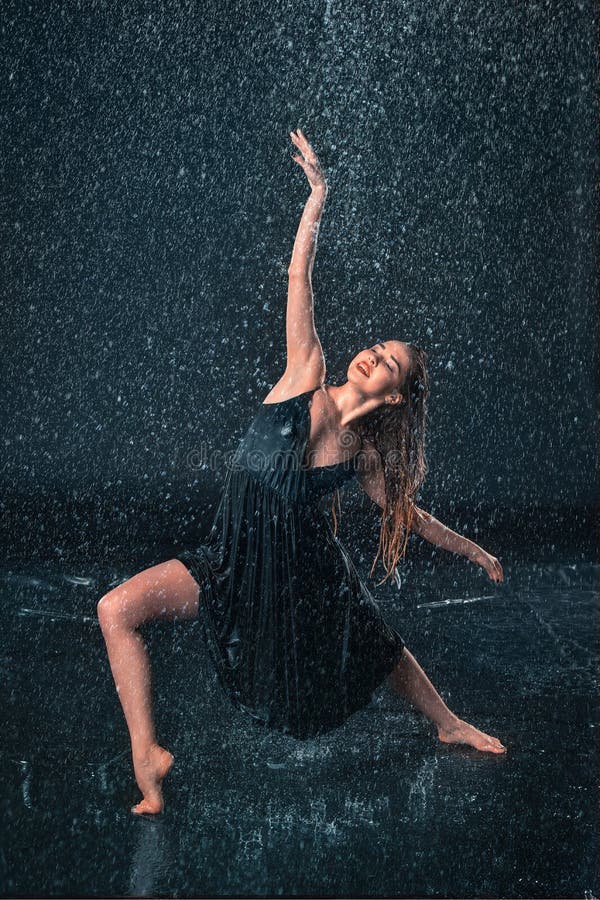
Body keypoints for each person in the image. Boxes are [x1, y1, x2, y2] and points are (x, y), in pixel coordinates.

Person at [98, 128, 506, 816]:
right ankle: (148, 757)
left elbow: (408, 517)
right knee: (115, 610)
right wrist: (317, 197)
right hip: (231, 560)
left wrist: (475, 551)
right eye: (376, 346)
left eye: (389, 362)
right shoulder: (304, 372)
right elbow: (299, 279)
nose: (372, 355)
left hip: (297, 569)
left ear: (395, 395)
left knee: (374, 641)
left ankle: (448, 722)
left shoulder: (365, 456)